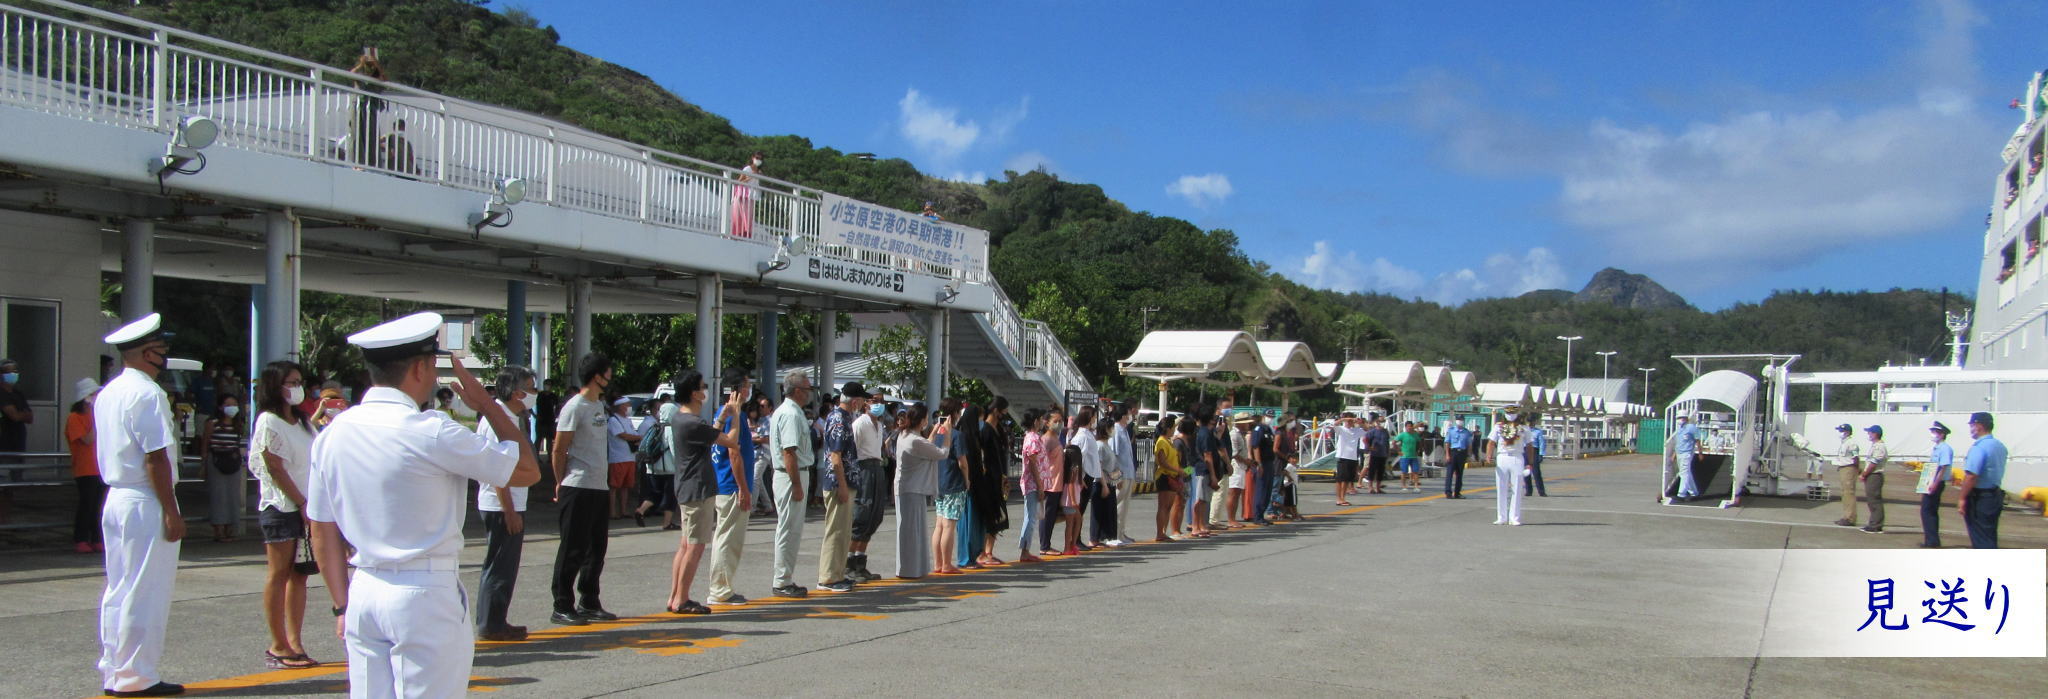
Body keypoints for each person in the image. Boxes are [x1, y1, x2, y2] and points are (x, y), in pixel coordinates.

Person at [306, 312, 540, 699]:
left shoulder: (334, 433)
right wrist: (487, 403)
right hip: (423, 591)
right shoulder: (431, 430)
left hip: (363, 589)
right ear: (420, 367)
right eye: (433, 366)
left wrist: (341, 606)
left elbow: (321, 530)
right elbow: (528, 470)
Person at [94, 314, 186, 698]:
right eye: (161, 350)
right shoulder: (147, 393)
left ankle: (116, 668)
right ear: (149, 353)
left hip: (117, 496)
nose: (164, 357)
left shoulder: (110, 391)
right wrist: (171, 510)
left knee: (120, 587)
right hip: (144, 497)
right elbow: (156, 458)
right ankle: (137, 676)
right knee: (145, 591)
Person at [248, 361, 320, 667]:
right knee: (278, 573)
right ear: (275, 386)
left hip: (306, 507)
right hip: (282, 506)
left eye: (299, 381)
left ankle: (295, 641)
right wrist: (300, 501)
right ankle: (278, 644)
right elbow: (274, 466)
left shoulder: (303, 422)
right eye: (291, 382)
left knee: (299, 575)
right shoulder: (269, 421)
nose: (297, 387)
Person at [662, 370, 746, 615]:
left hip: (686, 486)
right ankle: (682, 599)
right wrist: (736, 416)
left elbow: (709, 435)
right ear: (694, 393)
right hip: (698, 488)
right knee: (696, 546)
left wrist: (722, 417)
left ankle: (675, 596)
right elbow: (731, 441)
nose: (705, 390)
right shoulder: (693, 423)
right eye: (702, 387)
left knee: (685, 545)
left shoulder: (680, 418)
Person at [549, 353, 619, 626]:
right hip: (577, 485)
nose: (611, 376)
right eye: (608, 372)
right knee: (572, 548)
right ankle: (562, 604)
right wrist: (559, 480)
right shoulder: (574, 407)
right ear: (596, 376)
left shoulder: (599, 406)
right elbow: (559, 448)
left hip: (598, 486)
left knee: (596, 548)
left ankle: (589, 600)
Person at [474, 364, 537, 642]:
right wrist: (509, 511)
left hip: (509, 502)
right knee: (500, 564)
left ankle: (497, 619)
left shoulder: (508, 417)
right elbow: (496, 471)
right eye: (530, 387)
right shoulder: (498, 420)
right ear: (515, 392)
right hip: (500, 505)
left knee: (505, 565)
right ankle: (491, 623)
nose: (534, 392)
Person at [706, 369, 755, 605]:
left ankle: (722, 586)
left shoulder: (730, 414)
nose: (749, 389)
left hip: (726, 485)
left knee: (726, 537)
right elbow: (733, 453)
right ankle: (720, 589)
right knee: (727, 539)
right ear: (737, 389)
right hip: (730, 486)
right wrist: (743, 488)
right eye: (746, 384)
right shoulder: (732, 415)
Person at [766, 369, 816, 597]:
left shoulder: (790, 411)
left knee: (791, 528)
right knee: (789, 529)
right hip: (790, 476)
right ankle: (782, 581)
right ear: (797, 391)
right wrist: (796, 484)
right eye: (807, 389)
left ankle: (784, 578)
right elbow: (789, 452)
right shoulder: (791, 414)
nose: (809, 393)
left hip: (792, 474)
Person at [816, 382, 868, 593]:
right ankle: (828, 577)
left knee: (843, 531)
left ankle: (836, 574)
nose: (863, 404)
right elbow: (835, 457)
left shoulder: (843, 418)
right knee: (836, 531)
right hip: (839, 482)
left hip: (843, 481)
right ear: (855, 401)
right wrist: (843, 485)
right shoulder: (839, 419)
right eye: (862, 400)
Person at [893, 403, 949, 578]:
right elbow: (941, 453)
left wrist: (934, 431)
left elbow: (926, 446)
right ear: (923, 420)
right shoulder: (915, 440)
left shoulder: (905, 435)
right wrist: (947, 433)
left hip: (907, 488)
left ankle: (910, 568)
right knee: (913, 533)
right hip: (913, 489)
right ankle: (910, 570)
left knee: (908, 531)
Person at [848, 382, 889, 580]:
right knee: (861, 514)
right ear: (866, 403)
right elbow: (852, 451)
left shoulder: (879, 425)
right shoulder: (860, 423)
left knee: (874, 515)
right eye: (875, 400)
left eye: (882, 401)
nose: (879, 404)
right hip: (864, 468)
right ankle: (849, 564)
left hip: (876, 467)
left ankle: (860, 560)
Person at [199, 395, 247, 543]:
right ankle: (218, 530)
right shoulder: (212, 423)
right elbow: (205, 443)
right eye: (228, 404)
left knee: (233, 496)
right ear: (220, 407)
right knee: (218, 496)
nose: (232, 407)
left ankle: (230, 528)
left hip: (233, 462)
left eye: (234, 404)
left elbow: (238, 443)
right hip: (216, 460)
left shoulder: (238, 424)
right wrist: (204, 463)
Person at [1957, 412, 2006, 549]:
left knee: (1980, 538)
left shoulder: (1978, 448)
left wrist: (1962, 498)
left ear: (1979, 426)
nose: (1971, 429)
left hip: (1980, 497)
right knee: (1989, 534)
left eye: (1972, 425)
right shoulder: (1999, 446)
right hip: (1995, 495)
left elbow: (1971, 476)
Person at [973, 399, 1012, 564]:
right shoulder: (985, 429)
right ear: (996, 410)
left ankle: (989, 551)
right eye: (1003, 410)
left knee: (998, 515)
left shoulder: (997, 429)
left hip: (999, 478)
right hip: (988, 479)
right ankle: (982, 552)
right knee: (990, 515)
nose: (1005, 414)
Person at [69, 378, 106, 554]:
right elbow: (87, 439)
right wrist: (97, 420)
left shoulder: (95, 416)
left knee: (98, 506)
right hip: (85, 470)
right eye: (93, 394)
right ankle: (81, 539)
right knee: (87, 505)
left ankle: (97, 538)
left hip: (100, 468)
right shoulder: (74, 418)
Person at [633, 395, 677, 530]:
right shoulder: (671, 429)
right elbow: (675, 451)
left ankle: (641, 510)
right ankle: (667, 522)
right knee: (670, 496)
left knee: (654, 493)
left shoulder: (655, 427)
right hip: (669, 469)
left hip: (653, 467)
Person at [1486, 406, 1532, 526]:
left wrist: (1530, 462)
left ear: (1517, 414)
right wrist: (1489, 455)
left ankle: (1514, 517)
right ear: (1505, 414)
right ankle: (1501, 517)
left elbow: (1529, 445)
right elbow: (1491, 442)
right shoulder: (1498, 426)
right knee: (1501, 487)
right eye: (1508, 413)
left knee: (1517, 488)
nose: (1510, 415)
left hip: (1517, 456)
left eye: (1513, 413)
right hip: (1502, 456)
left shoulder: (1523, 428)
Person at [1017, 409, 1050, 559]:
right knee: (1030, 517)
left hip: (1033, 483)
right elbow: (1033, 464)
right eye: (1041, 419)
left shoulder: (1032, 437)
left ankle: (1026, 549)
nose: (1043, 422)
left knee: (1030, 516)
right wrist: (1039, 485)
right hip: (1033, 484)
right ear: (1036, 421)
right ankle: (1025, 550)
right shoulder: (1033, 439)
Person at [347, 47, 386, 168]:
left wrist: (376, 63)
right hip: (358, 106)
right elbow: (351, 74)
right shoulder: (360, 74)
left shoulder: (376, 77)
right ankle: (357, 163)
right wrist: (361, 64)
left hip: (371, 109)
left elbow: (384, 80)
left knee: (371, 135)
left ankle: (371, 163)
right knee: (356, 133)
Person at [1917, 421, 1954, 549]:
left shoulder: (1944, 448)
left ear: (1942, 434)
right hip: (1931, 482)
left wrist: (1934, 484)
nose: (1933, 434)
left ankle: (1932, 541)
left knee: (1928, 511)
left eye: (1935, 432)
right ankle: (1930, 540)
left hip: (1936, 483)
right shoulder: (1937, 448)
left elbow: (1942, 467)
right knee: (1928, 511)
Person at [1036, 409, 1068, 554]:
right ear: (1047, 422)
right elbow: (1039, 462)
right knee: (1047, 516)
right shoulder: (1047, 439)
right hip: (1049, 483)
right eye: (1055, 421)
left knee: (1051, 516)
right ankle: (1044, 546)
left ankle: (1047, 544)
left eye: (1060, 421)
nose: (1059, 423)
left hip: (1057, 482)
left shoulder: (1056, 437)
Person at [605, 396, 642, 520]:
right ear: (621, 407)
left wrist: (637, 438)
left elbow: (634, 434)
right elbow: (623, 435)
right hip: (618, 458)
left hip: (630, 457)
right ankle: (612, 512)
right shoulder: (613, 420)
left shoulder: (628, 420)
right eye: (627, 405)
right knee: (614, 486)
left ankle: (623, 511)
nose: (629, 407)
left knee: (626, 486)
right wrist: (638, 438)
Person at [1152, 414, 1184, 541]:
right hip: (1165, 476)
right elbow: (1162, 462)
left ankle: (1163, 532)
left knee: (1168, 506)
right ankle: (1160, 532)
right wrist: (1178, 470)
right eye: (1173, 428)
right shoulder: (1161, 442)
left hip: (1172, 476)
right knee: (1163, 506)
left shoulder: (1168, 441)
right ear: (1169, 428)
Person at [1112, 406, 1140, 541]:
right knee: (1118, 506)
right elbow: (1114, 455)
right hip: (1121, 475)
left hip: (1128, 474)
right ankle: (1115, 535)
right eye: (1128, 414)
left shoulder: (1124, 430)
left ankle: (1121, 533)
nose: (1130, 416)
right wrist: (1117, 477)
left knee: (1124, 507)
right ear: (1123, 416)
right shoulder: (1116, 431)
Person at [1830, 423, 1864, 528]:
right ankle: (1846, 516)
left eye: (1841, 431)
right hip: (1843, 468)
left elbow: (1856, 458)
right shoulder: (1844, 443)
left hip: (1849, 468)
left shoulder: (1851, 443)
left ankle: (1850, 518)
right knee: (1845, 494)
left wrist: (1857, 470)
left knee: (1849, 493)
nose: (1839, 433)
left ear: (1847, 432)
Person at [1857, 426, 1889, 534]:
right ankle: (1873, 523)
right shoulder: (1875, 446)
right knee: (1872, 501)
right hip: (1872, 475)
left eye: (1870, 433)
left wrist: (1864, 474)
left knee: (1874, 501)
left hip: (1874, 475)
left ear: (1875, 434)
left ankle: (1876, 525)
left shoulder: (1879, 447)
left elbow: (1873, 464)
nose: (1868, 435)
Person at [2, 358, 35, 455]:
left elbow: (30, 418)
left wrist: (20, 415)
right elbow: (14, 416)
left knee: (18, 466)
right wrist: (21, 415)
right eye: (9, 372)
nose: (13, 374)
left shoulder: (18, 394)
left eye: (15, 371)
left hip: (18, 440)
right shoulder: (2, 393)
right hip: (4, 440)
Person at [1332, 413, 1362, 506]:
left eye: (1350, 421)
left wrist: (1359, 422)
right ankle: (1339, 498)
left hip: (1352, 457)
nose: (1349, 422)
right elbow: (1334, 424)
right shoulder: (1341, 429)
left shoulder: (1357, 430)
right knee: (1341, 479)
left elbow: (1367, 428)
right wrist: (1344, 419)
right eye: (1348, 421)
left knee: (1347, 479)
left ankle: (1342, 498)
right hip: (1343, 456)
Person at [732, 151, 762, 238]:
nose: (758, 160)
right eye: (757, 158)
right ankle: (737, 234)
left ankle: (746, 234)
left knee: (748, 218)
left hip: (751, 196)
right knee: (741, 216)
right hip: (743, 194)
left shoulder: (759, 171)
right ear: (753, 158)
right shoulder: (747, 169)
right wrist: (749, 178)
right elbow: (739, 181)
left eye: (760, 158)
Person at [1670, 414, 1700, 500]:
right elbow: (1678, 444)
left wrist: (1700, 452)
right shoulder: (1679, 429)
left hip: (1687, 453)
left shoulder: (1691, 427)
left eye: (1681, 418)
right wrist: (1674, 454)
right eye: (1678, 418)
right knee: (1686, 472)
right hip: (1679, 453)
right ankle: (1694, 492)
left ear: (1686, 418)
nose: (1680, 420)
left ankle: (1681, 494)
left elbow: (1697, 439)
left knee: (1684, 473)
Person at [1443, 416, 1473, 499]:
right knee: (1449, 473)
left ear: (1464, 421)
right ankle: (1448, 492)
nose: (1460, 421)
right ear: (1456, 421)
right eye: (1458, 420)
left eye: (1461, 420)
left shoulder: (1466, 432)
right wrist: (1447, 455)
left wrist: (1469, 455)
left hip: (1462, 453)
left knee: (1459, 474)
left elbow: (1469, 444)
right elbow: (1447, 443)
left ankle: (1457, 493)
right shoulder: (1451, 430)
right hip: (1453, 452)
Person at [1363, 415, 1391, 495]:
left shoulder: (1385, 431)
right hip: (1374, 454)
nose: (1381, 423)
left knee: (1381, 471)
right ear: (1377, 422)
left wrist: (1388, 451)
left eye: (1383, 422)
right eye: (1380, 422)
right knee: (1372, 471)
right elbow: (1365, 439)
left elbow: (1387, 442)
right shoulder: (1372, 431)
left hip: (1383, 454)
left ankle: (1378, 488)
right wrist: (1369, 448)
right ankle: (1370, 487)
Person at [1393, 421, 1422, 494]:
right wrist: (1398, 451)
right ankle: (1404, 486)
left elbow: (1419, 442)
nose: (1409, 427)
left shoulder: (1415, 434)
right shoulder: (1402, 435)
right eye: (1408, 426)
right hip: (1405, 456)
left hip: (1413, 456)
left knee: (1415, 471)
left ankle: (1416, 486)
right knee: (1404, 472)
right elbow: (1394, 442)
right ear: (1405, 427)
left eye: (1410, 426)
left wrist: (1417, 450)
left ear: (1412, 427)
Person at [1523, 419, 1548, 497]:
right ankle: (1528, 491)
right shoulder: (1523, 430)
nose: (1530, 423)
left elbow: (1542, 443)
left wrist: (1541, 454)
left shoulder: (1538, 431)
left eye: (1531, 422)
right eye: (1528, 422)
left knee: (1536, 473)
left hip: (1535, 450)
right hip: (1525, 450)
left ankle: (1541, 491)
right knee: (1526, 472)